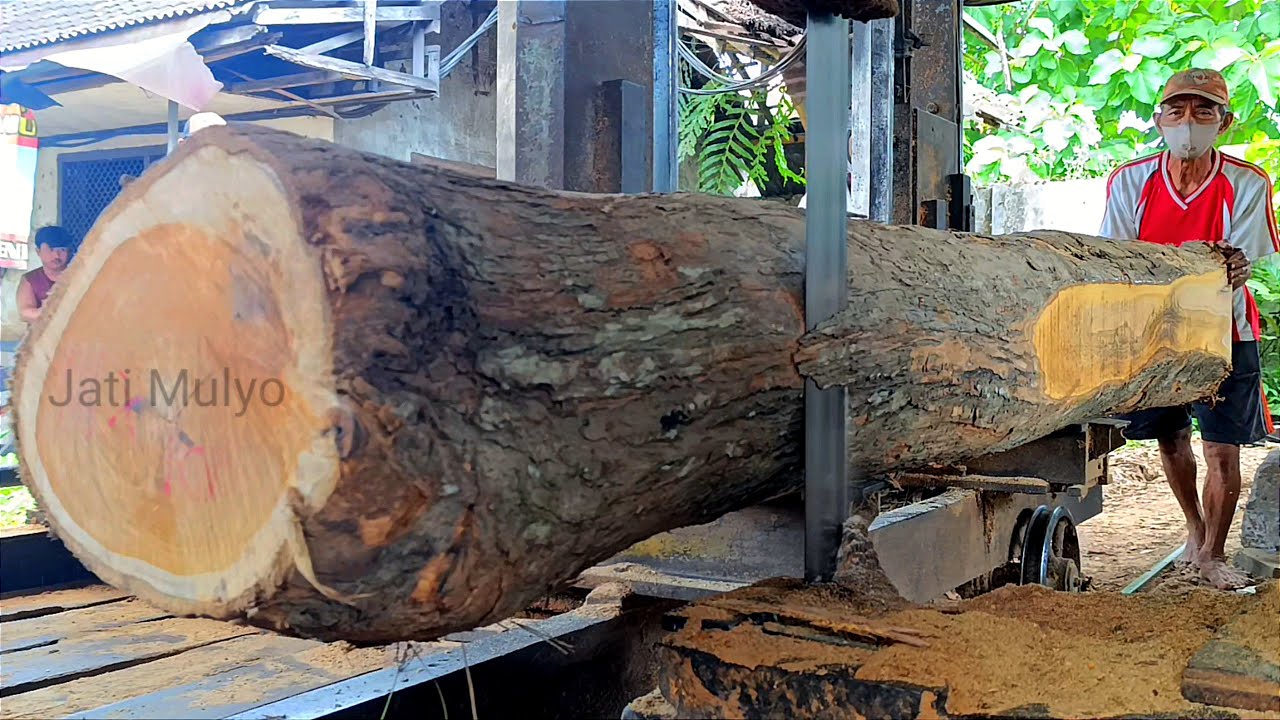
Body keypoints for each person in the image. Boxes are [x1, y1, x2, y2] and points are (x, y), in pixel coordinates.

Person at [1099, 68, 1279, 589]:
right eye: (1176, 111)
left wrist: (1226, 266)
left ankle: (1213, 555)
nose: (1188, 123)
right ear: (1159, 119)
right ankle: (1193, 531)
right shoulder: (1129, 180)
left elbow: (1237, 263)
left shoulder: (1247, 182)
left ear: (1224, 122)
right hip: (1155, 333)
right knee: (1170, 437)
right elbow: (1120, 259)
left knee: (1222, 447)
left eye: (1204, 112)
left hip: (1225, 334)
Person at [16, 225, 74, 323]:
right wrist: (51, 311)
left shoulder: (78, 275)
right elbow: (25, 312)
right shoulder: (30, 280)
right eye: (50, 249)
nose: (56, 255)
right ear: (38, 251)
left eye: (62, 250)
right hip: (43, 335)